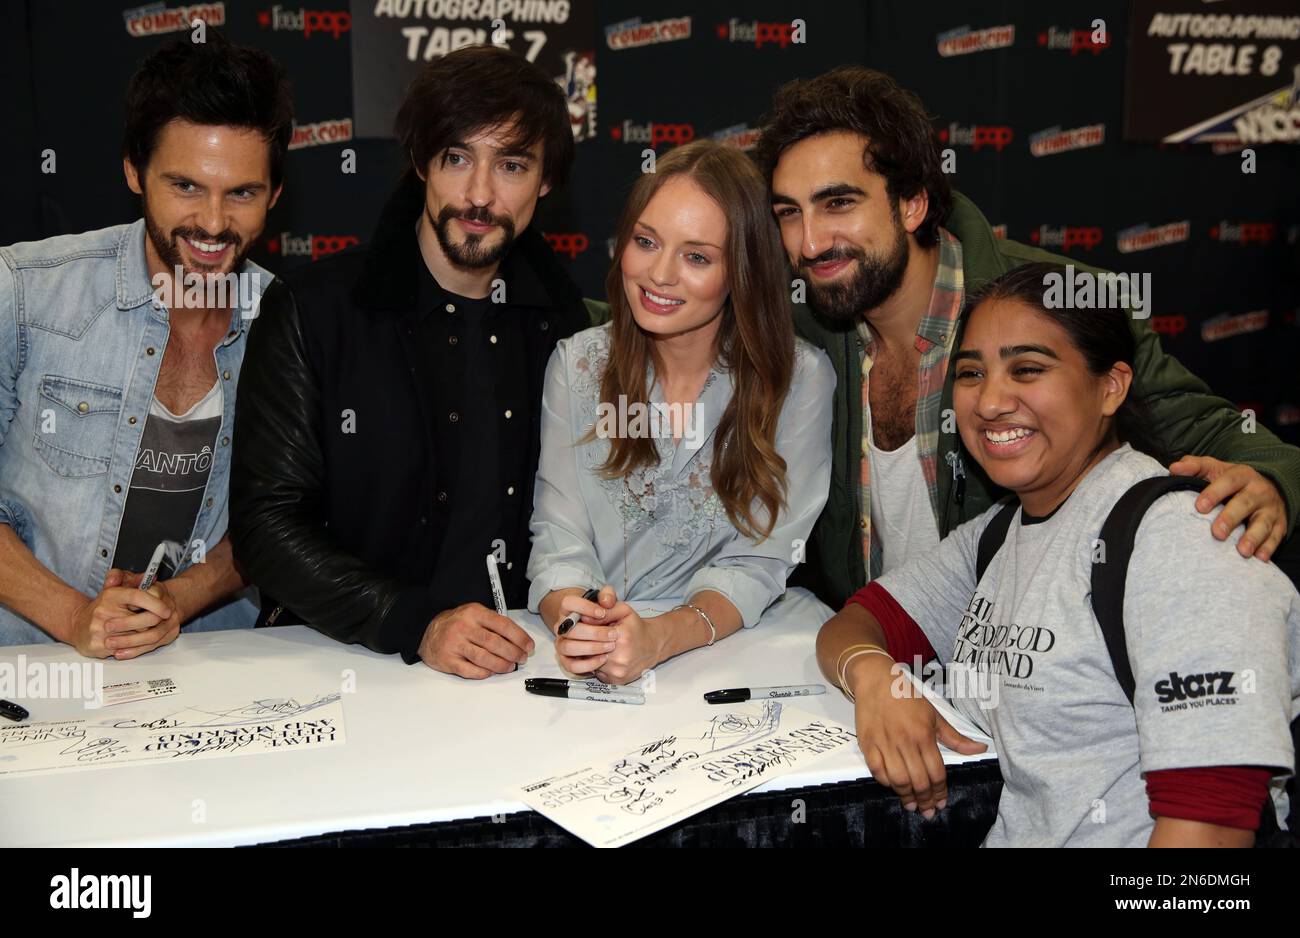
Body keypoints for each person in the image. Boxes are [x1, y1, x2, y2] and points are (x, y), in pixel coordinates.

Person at [753, 66, 1300, 608]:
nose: (809, 242)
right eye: (788, 213)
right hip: (866, 651)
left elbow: (1227, 438)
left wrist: (1272, 481)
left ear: (912, 203)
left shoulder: (1061, 304)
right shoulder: (804, 317)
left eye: (838, 204)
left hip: (1012, 666)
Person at [817, 263, 1299, 847]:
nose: (991, 401)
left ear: (1111, 386)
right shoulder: (1002, 531)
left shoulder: (1182, 540)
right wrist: (874, 677)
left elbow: (1208, 841)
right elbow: (858, 623)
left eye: (1028, 369)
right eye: (971, 373)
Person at [231, 45, 597, 677]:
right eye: (457, 157)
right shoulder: (314, 311)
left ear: (545, 182)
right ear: (421, 162)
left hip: (521, 674)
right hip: (341, 667)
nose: (479, 194)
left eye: (511, 165)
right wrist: (414, 622)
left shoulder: (565, 329)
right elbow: (267, 529)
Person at [0, 33, 290, 656]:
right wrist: (77, 617)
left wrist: (177, 600)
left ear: (275, 196)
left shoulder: (290, 323)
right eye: (185, 186)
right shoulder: (24, 292)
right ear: (134, 170)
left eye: (242, 192)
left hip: (208, 669)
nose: (213, 224)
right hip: (27, 667)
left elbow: (284, 520)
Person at [527, 140, 835, 686]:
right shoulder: (576, 366)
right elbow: (559, 536)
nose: (660, 274)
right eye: (646, 242)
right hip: (591, 657)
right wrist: (581, 625)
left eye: (697, 257)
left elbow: (760, 561)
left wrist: (660, 636)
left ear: (741, 270)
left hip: (733, 655)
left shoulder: (798, 378)